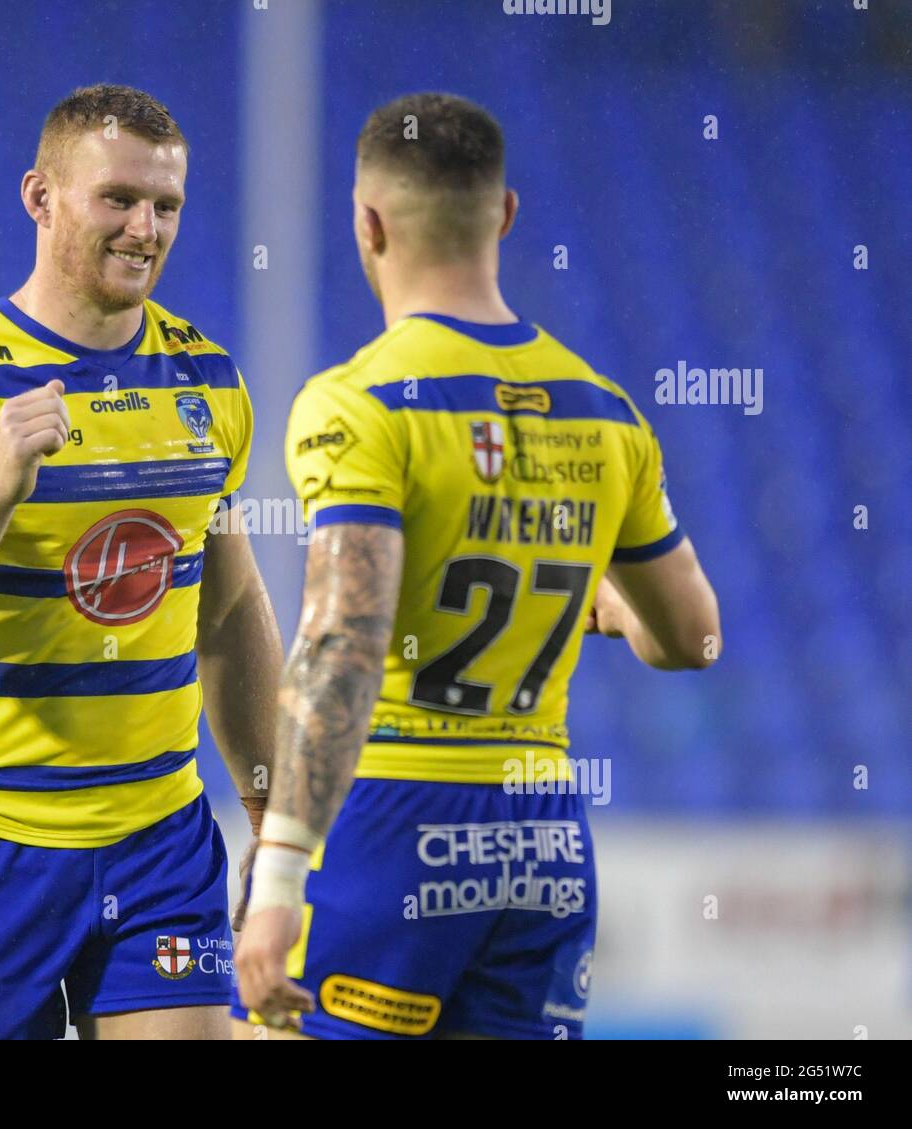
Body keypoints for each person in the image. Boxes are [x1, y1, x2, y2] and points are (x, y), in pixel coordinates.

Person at [233, 92, 720, 1040]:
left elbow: (346, 640)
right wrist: (616, 609)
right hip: (540, 833)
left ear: (366, 224)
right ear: (504, 215)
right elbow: (697, 636)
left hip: (389, 818)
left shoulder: (361, 403)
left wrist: (282, 870)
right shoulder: (606, 412)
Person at [0, 83, 280, 1040]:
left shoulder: (208, 380)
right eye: (118, 199)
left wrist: (275, 819)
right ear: (40, 197)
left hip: (160, 840)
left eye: (167, 205)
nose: (146, 229)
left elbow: (227, 611)